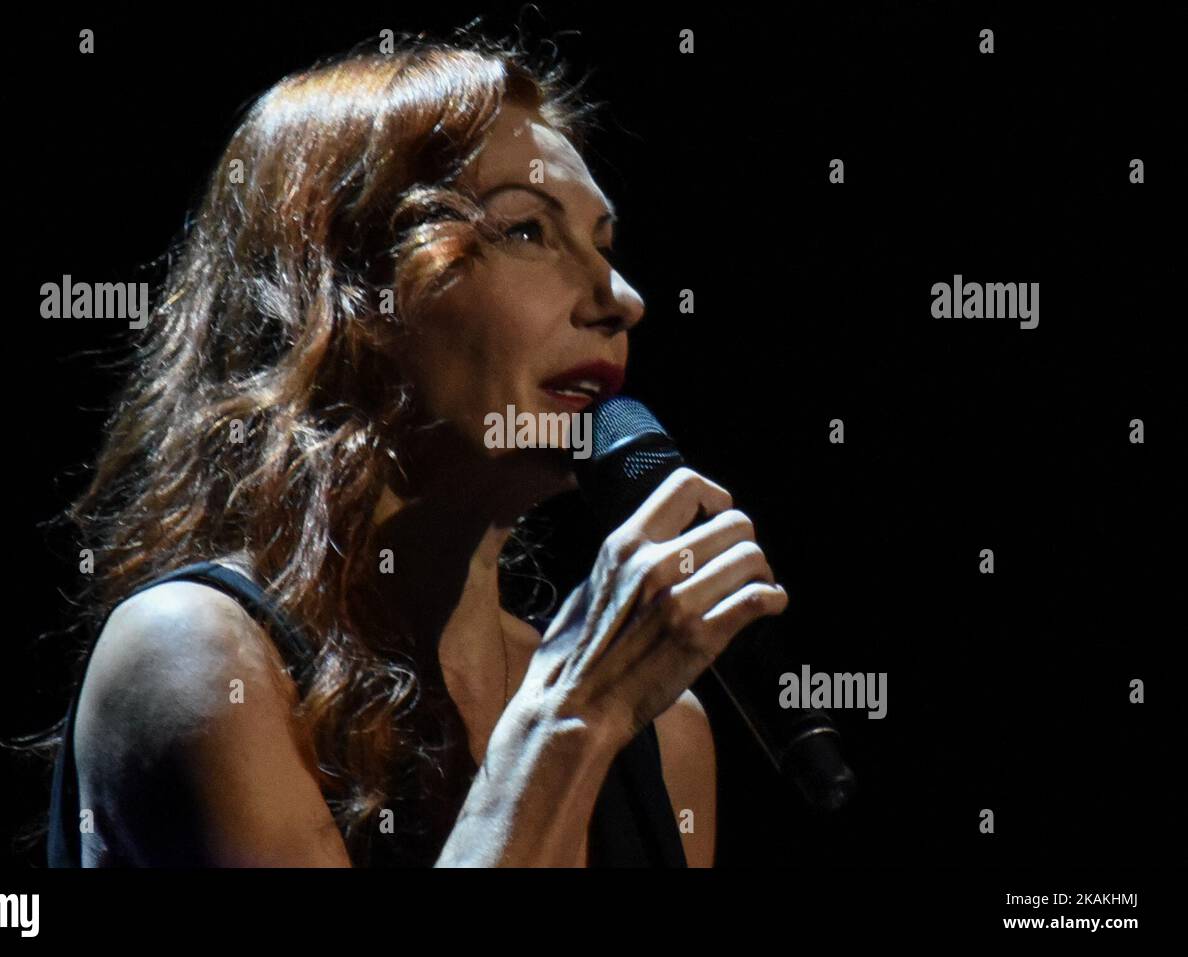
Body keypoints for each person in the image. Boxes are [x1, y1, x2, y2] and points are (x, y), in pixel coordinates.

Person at [42, 32, 788, 868]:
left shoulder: (663, 731)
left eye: (605, 245)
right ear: (346, 298)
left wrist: (590, 709)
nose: (623, 299)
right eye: (527, 231)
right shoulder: (196, 656)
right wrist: (570, 720)